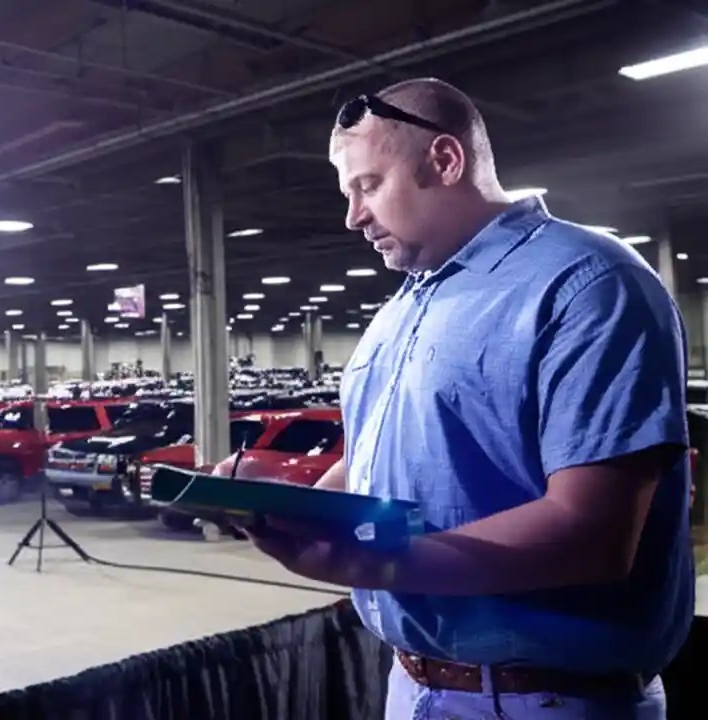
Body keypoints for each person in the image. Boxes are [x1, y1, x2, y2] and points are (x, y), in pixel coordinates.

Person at [247, 78, 691, 718]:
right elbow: (371, 457)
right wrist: (290, 506)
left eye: (367, 185)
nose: (352, 215)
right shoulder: (402, 309)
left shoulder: (587, 283)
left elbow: (593, 534)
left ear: (446, 161)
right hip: (412, 685)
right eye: (347, 193)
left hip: (549, 699)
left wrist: (370, 562)